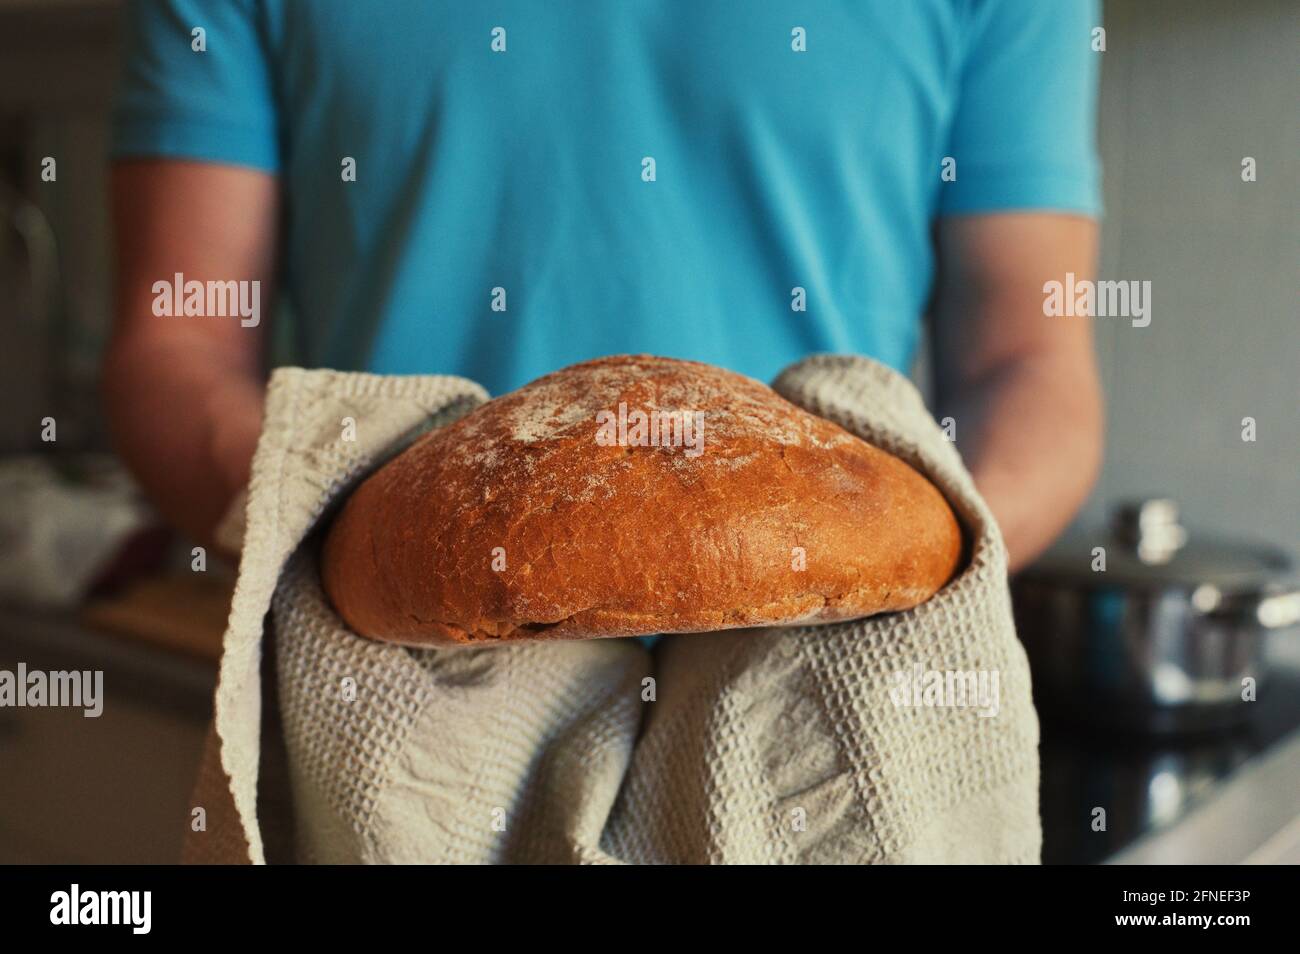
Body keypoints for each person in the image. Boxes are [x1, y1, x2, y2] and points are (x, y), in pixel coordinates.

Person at [104, 0, 1103, 571]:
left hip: (817, 692)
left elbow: (1030, 359)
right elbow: (176, 340)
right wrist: (351, 543)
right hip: (388, 687)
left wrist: (902, 564)